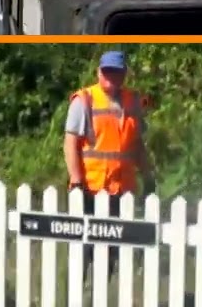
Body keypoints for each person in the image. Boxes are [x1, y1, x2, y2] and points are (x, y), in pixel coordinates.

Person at [64, 51, 156, 282]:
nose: (110, 77)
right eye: (106, 72)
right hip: (90, 190)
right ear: (99, 72)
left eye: (115, 72)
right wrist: (76, 180)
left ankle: (101, 295)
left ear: (124, 73)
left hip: (121, 191)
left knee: (112, 250)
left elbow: (137, 145)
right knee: (85, 249)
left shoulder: (132, 101)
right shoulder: (84, 100)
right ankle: (78, 294)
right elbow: (70, 143)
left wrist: (148, 176)